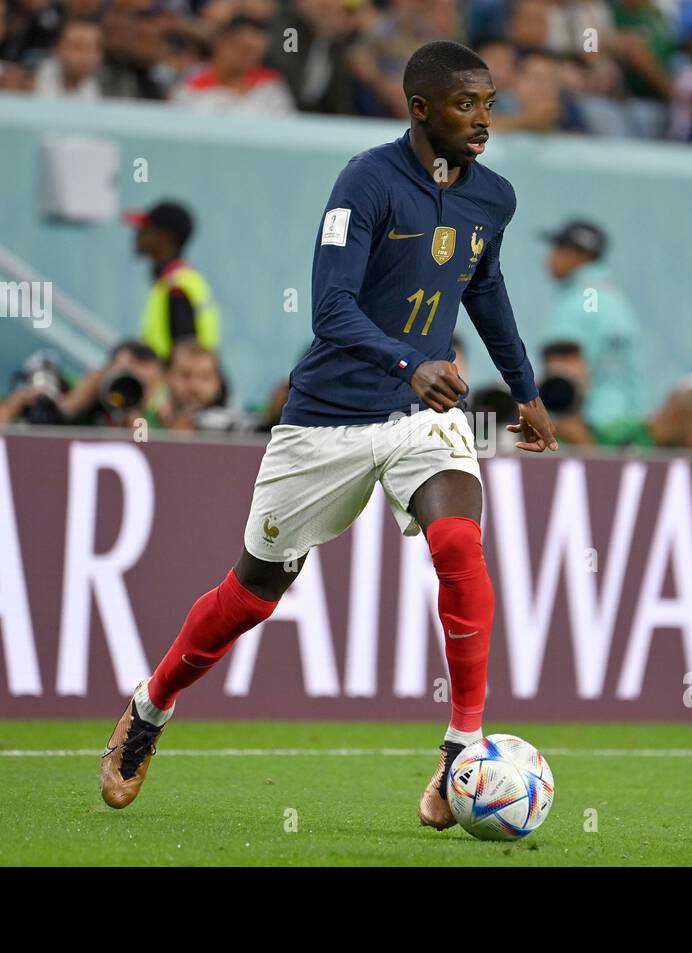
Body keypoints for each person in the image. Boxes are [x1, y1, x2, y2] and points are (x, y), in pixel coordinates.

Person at [99, 40, 558, 833]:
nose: (482, 119)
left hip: (422, 418)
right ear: (419, 110)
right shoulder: (367, 181)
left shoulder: (495, 198)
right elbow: (331, 310)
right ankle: (153, 702)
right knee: (250, 598)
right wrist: (412, 360)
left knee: (459, 545)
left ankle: (462, 746)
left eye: (488, 103)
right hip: (327, 421)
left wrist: (525, 389)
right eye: (464, 105)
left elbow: (483, 285)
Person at [542, 219, 645, 437]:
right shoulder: (618, 302)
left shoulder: (575, 303)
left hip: (586, 427)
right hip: (627, 423)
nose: (551, 256)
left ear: (581, 256)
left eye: (559, 248)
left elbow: (561, 380)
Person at [124, 200, 221, 362]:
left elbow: (185, 354)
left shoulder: (176, 288)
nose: (137, 234)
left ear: (164, 238)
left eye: (145, 228)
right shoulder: (184, 281)